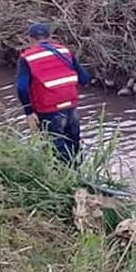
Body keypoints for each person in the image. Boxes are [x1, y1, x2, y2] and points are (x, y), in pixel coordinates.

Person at [15, 23, 91, 166]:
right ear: (50, 37)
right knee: (74, 146)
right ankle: (80, 177)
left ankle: (62, 181)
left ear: (30, 39)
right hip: (71, 107)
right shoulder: (65, 52)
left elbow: (22, 88)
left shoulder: (27, 58)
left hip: (48, 110)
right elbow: (85, 78)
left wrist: (29, 112)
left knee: (55, 148)